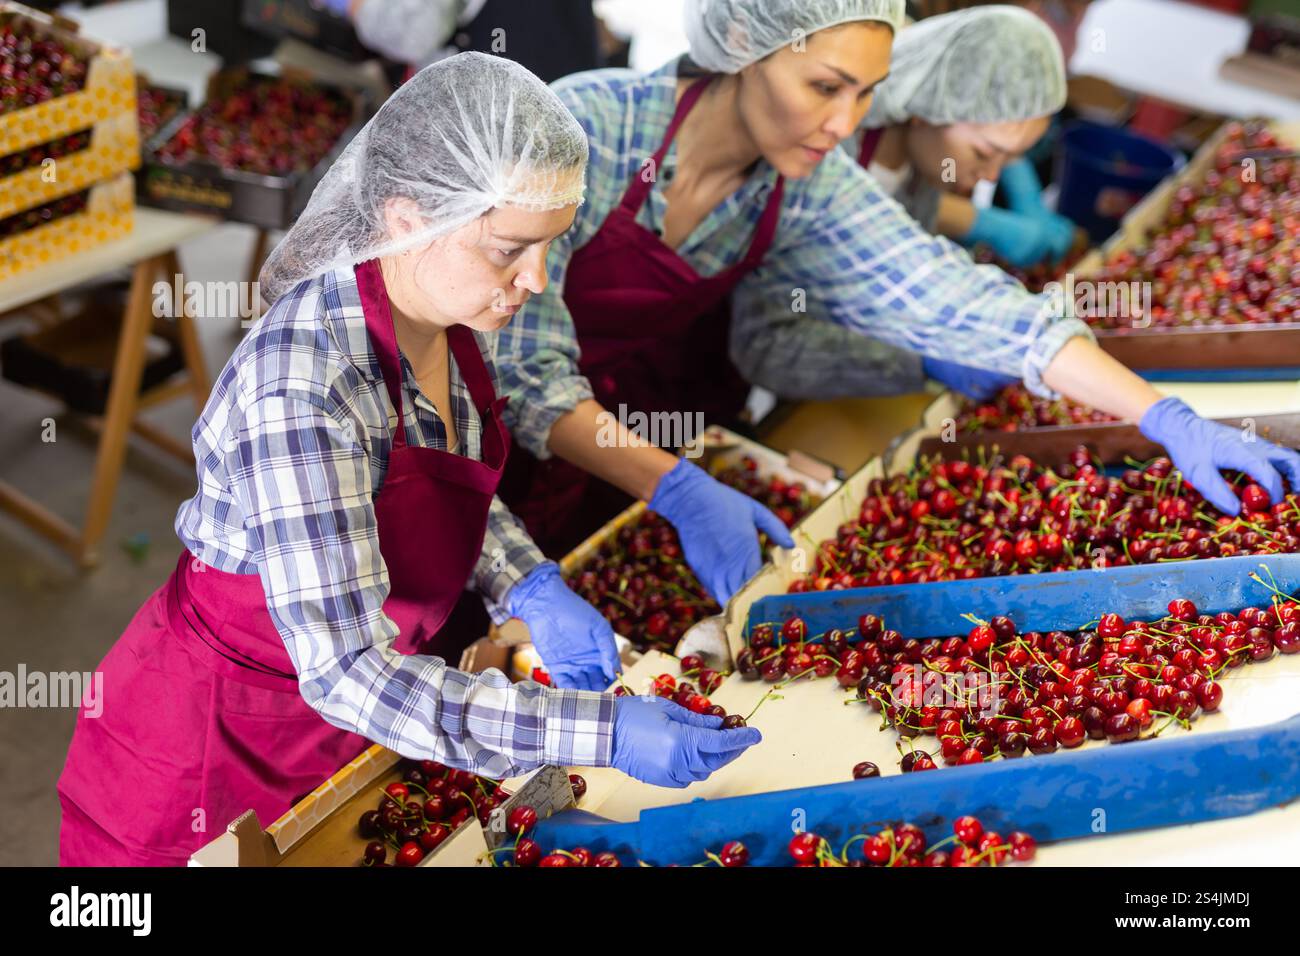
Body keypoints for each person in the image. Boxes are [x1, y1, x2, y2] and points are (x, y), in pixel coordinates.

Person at [56, 54, 759, 867]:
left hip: (350, 718)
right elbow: (350, 671)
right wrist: (595, 731)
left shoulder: (444, 318)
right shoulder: (306, 385)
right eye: (509, 250)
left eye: (548, 248)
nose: (535, 280)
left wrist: (523, 578)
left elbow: (427, 479)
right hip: (222, 736)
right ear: (403, 218)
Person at [493, 0, 1300, 581]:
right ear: (743, 42)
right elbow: (522, 371)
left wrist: (1163, 416)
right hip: (476, 441)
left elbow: (942, 293)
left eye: (867, 94)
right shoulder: (588, 127)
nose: (847, 122)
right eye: (825, 87)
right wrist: (669, 481)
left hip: (626, 436)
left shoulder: (801, 181)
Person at [736, 5, 1080, 403]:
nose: (989, 177)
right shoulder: (825, 157)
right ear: (928, 110)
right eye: (985, 153)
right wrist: (916, 363)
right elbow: (765, 342)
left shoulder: (925, 169)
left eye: (1009, 158)